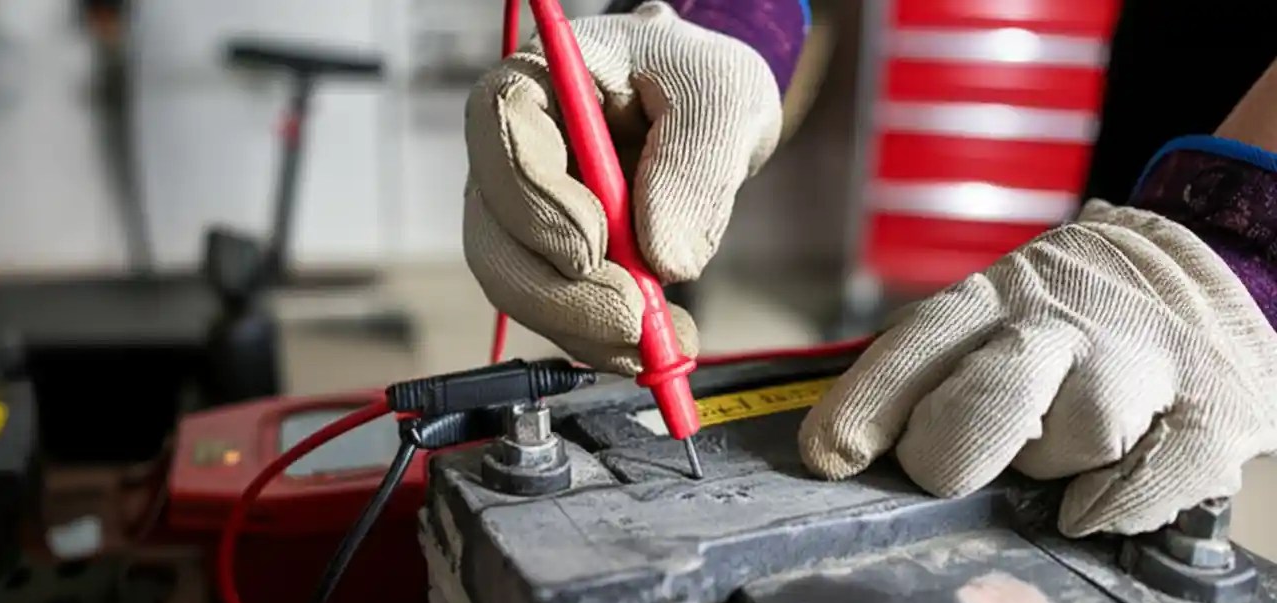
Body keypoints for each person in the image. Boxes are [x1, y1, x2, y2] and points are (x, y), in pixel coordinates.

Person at [461, 0, 1277, 538]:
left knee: (1162, 419)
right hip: (1163, 86)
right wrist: (723, 22)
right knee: (1078, 423)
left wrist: (1246, 238)